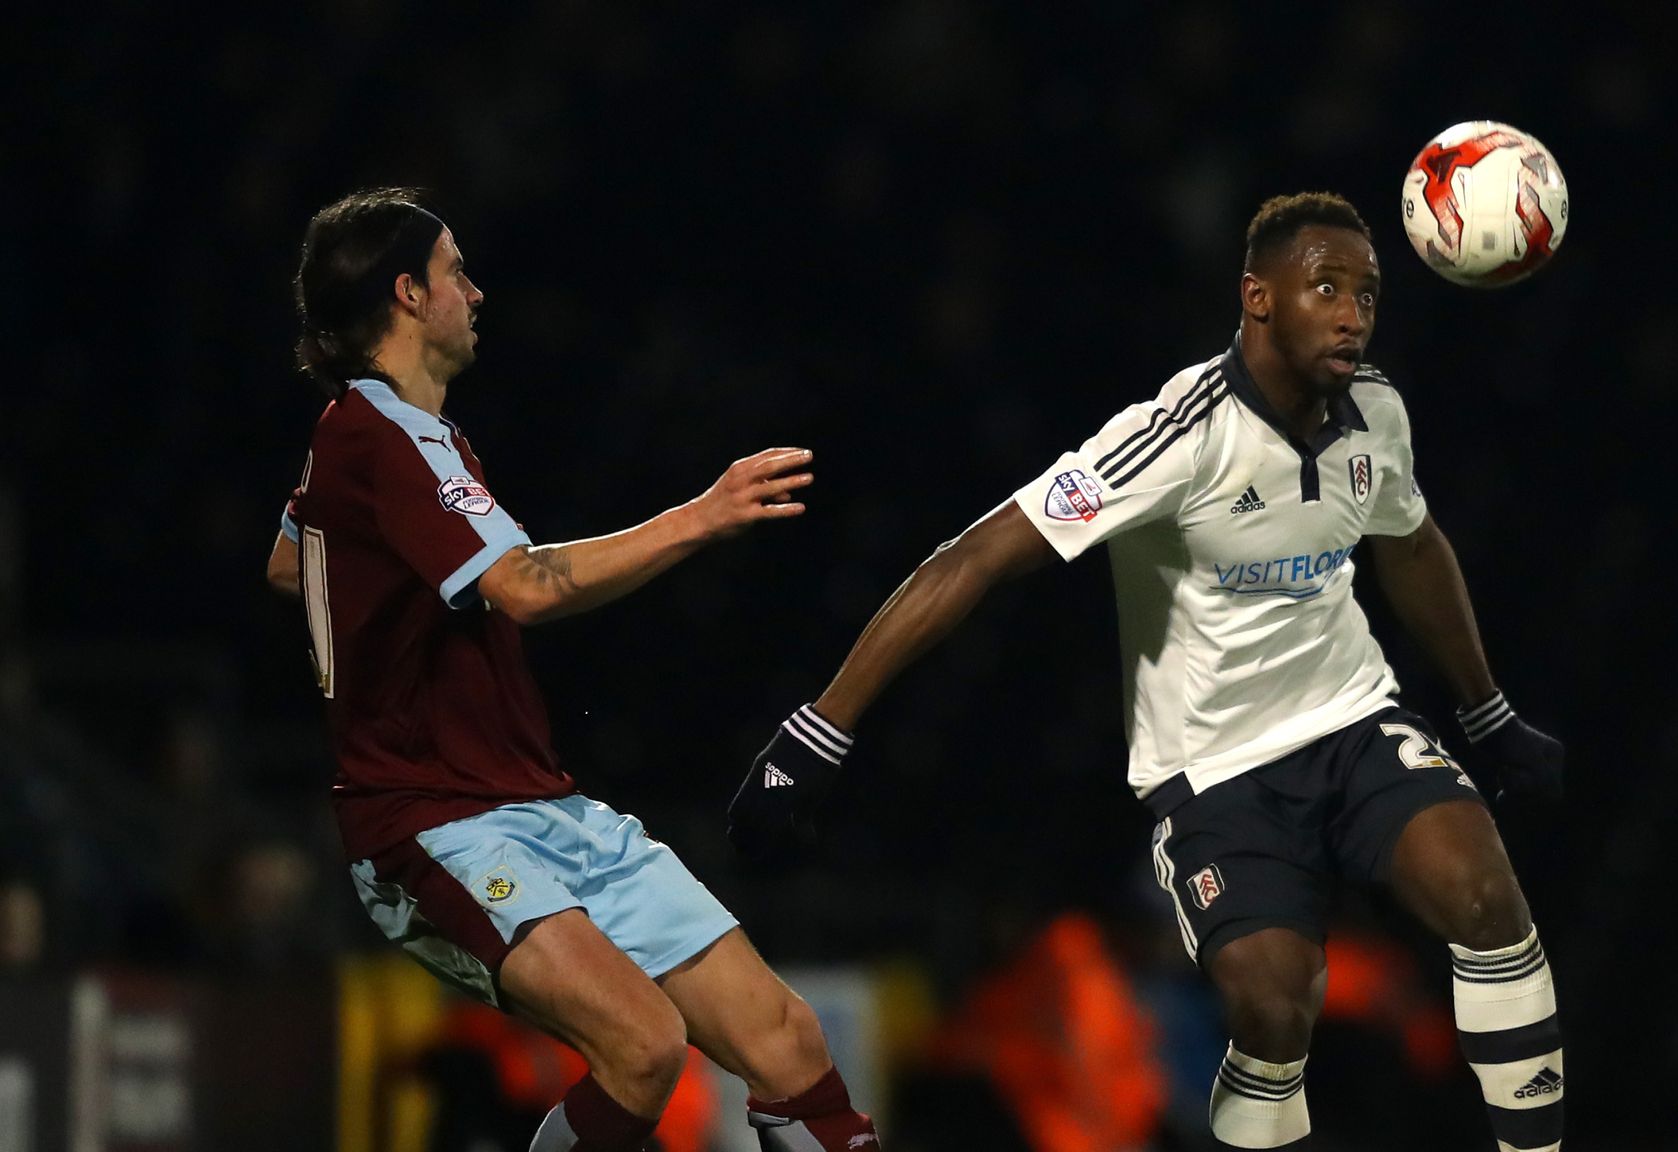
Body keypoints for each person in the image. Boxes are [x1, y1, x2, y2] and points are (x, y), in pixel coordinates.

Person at [730, 192, 1566, 1151]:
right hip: (1217, 772)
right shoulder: (1175, 435)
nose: (1351, 314)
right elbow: (975, 559)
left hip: (1353, 720)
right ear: (1257, 298)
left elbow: (1411, 545)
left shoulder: (1375, 411)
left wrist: (1489, 711)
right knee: (1274, 1011)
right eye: (1325, 288)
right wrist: (819, 730)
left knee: (1487, 901)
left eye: (1368, 295)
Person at [267, 188, 880, 1152]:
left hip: (543, 808)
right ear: (407, 296)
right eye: (454, 270)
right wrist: (703, 514)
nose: (475, 290)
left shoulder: (391, 440)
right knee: (642, 1047)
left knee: (789, 1045)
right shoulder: (377, 436)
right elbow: (527, 588)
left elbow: (288, 559)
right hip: (434, 823)